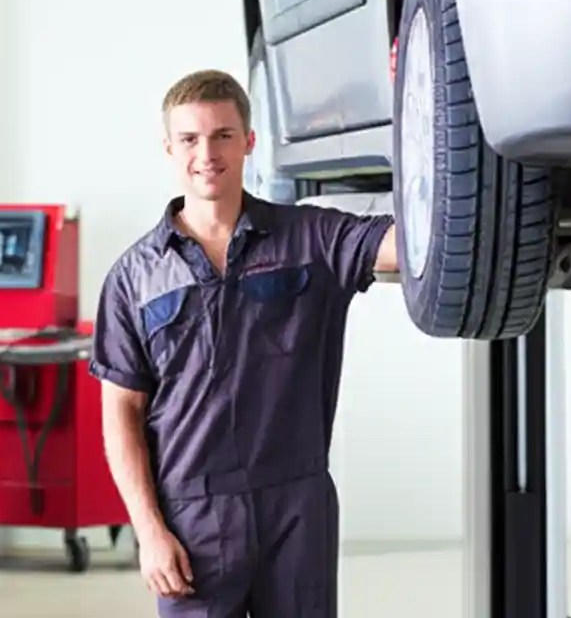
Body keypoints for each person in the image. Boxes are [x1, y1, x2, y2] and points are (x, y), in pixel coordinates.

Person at [89, 69, 398, 617]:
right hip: (193, 515)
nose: (206, 153)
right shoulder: (134, 277)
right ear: (168, 148)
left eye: (223, 135)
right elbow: (121, 415)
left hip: (296, 505)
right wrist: (149, 530)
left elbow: (403, 247)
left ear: (249, 142)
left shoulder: (309, 238)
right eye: (189, 139)